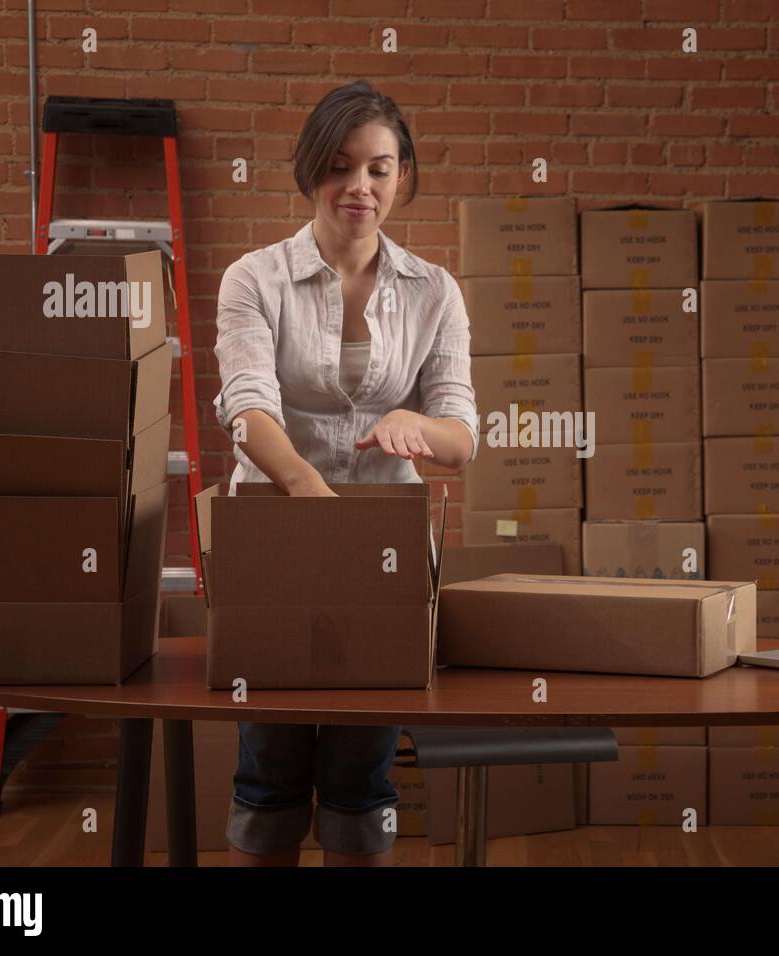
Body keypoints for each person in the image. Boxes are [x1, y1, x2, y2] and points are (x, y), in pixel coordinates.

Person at [211, 81, 478, 866]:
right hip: (273, 542)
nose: (359, 187)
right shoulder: (253, 280)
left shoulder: (435, 291)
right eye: (340, 166)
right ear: (309, 171)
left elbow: (461, 437)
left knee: (364, 773)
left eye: (380, 169)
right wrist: (309, 492)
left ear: (401, 177)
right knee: (270, 766)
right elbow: (247, 410)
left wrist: (415, 426)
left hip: (383, 557)